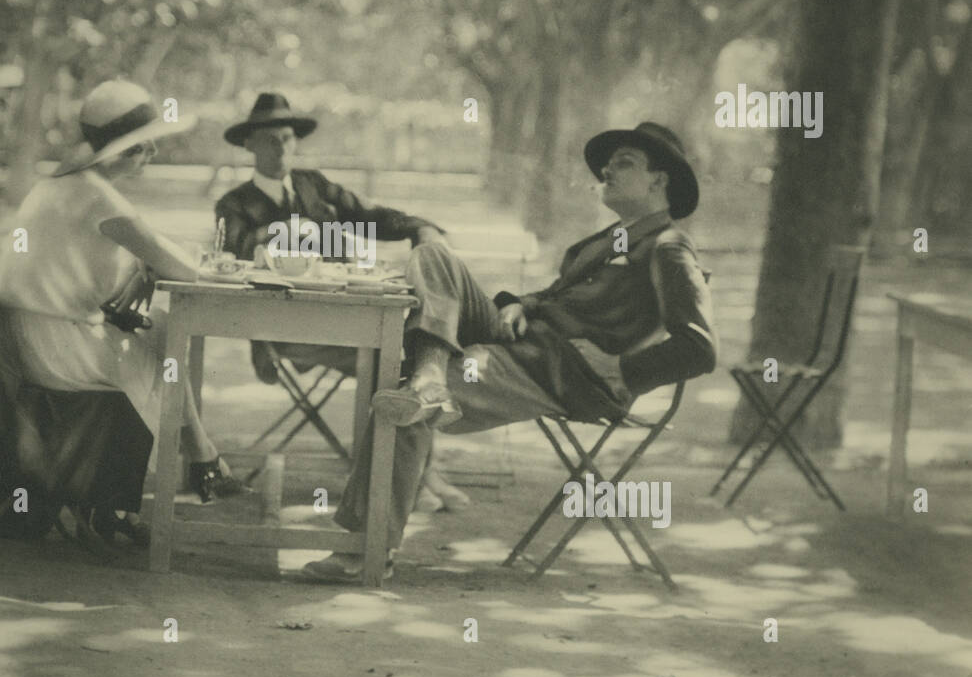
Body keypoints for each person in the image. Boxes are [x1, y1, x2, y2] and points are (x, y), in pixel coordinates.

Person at [300, 121, 718, 582]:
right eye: (610, 161)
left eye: (624, 163)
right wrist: (524, 303)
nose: (606, 169)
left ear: (659, 182)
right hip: (528, 341)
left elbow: (698, 348)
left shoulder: (669, 247)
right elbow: (562, 294)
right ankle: (431, 375)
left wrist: (622, 369)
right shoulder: (612, 239)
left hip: (563, 371)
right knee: (432, 254)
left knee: (402, 404)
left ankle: (365, 550)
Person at [0, 80, 242, 558]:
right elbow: (183, 267)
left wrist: (151, 258)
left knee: (163, 331)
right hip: (47, 341)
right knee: (162, 349)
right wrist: (168, 261)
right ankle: (191, 467)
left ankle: (196, 462)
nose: (150, 153)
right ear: (120, 152)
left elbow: (136, 250)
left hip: (21, 333)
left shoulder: (64, 184)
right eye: (142, 145)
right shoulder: (97, 197)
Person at [215, 91, 468, 509]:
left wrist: (421, 228)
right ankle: (406, 479)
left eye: (287, 138)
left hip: (346, 319)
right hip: (280, 327)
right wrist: (289, 233)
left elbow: (368, 214)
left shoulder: (313, 185)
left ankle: (415, 473)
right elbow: (237, 251)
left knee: (404, 354)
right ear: (249, 145)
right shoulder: (234, 204)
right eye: (270, 139)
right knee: (389, 359)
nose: (281, 147)